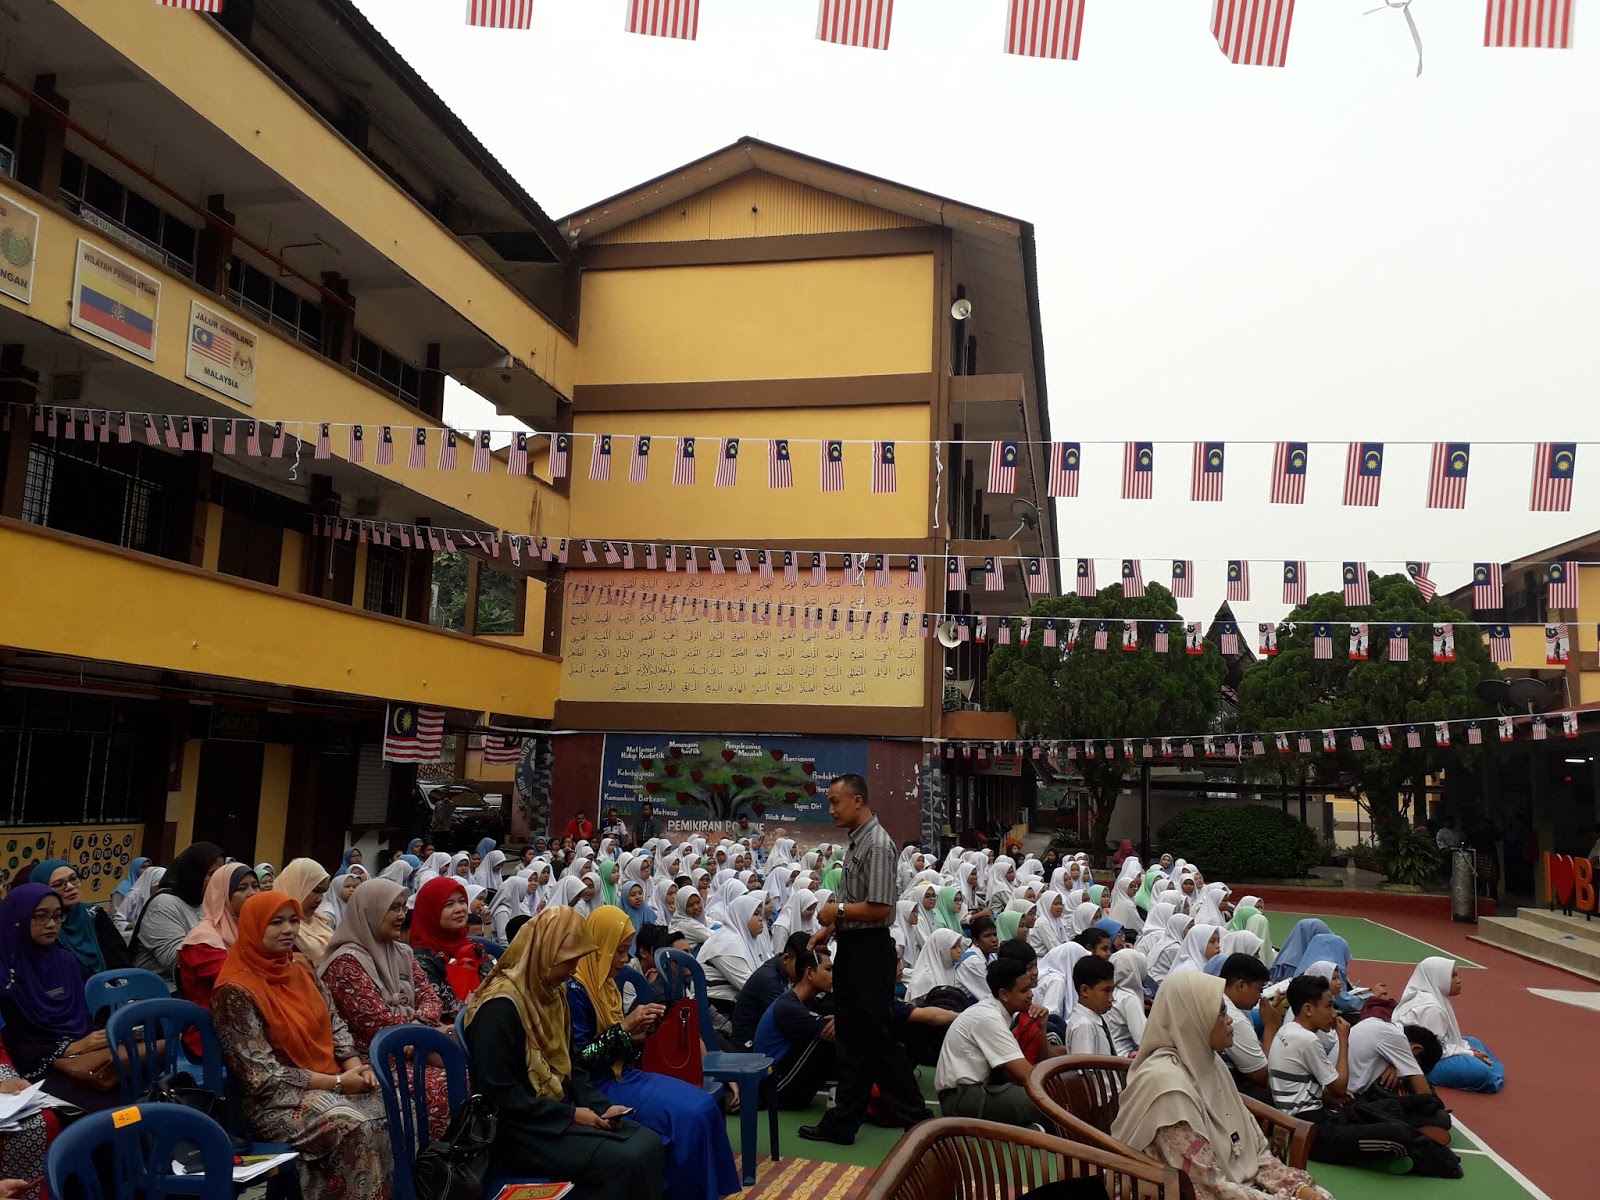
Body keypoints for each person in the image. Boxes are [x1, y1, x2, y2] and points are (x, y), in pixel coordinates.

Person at [464, 907, 664, 1199]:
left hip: (554, 1114)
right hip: (519, 1130)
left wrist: (599, 1106)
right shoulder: (500, 1008)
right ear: (545, 953)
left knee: (648, 1143)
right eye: (568, 961)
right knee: (627, 1159)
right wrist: (571, 1115)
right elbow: (500, 1095)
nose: (573, 971)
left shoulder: (550, 994)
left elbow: (573, 1066)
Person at [211, 893, 392, 1199]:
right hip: (274, 1102)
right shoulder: (235, 990)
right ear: (254, 927)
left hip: (329, 1079)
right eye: (276, 922)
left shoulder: (300, 967)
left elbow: (334, 1022)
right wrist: (337, 1084)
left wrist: (356, 1068)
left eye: (293, 921)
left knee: (392, 1105)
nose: (288, 930)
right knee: (352, 1125)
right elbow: (261, 1077)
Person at [1109, 972, 1334, 1200]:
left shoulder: (1210, 1062)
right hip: (1181, 1193)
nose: (1229, 1020)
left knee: (1320, 1195)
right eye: (1220, 1013)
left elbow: (1255, 1151)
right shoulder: (1167, 1088)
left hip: (1230, 1186)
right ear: (1193, 1018)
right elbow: (1207, 1187)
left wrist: (1298, 1188)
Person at [569, 906, 739, 1200]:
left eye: (626, 951)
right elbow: (580, 1061)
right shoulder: (576, 991)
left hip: (623, 1074)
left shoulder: (605, 986)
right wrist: (625, 1028)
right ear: (599, 947)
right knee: (688, 1116)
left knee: (704, 1105)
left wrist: (637, 1035)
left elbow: (611, 1045)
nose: (624, 960)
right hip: (596, 1089)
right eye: (618, 951)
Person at [799, 775, 932, 1145]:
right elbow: (860, 904)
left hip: (870, 952)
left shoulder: (876, 843)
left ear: (857, 801)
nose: (831, 810)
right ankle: (844, 1123)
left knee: (876, 1040)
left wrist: (836, 910)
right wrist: (832, 927)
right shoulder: (859, 841)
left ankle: (919, 1123)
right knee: (853, 1042)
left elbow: (882, 906)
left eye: (835, 801)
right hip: (855, 948)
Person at [320, 879, 455, 1140]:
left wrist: (416, 1027)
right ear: (370, 912)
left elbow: (432, 1000)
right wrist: (416, 1027)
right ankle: (423, 1166)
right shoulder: (346, 962)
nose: (401, 916)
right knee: (440, 1086)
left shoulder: (402, 952)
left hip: (414, 1048)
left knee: (463, 1070)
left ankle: (453, 1164)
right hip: (373, 1058)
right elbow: (377, 1021)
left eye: (403, 908)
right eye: (393, 909)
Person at [1268, 975, 1417, 1170]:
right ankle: (1394, 1157)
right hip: (1311, 1130)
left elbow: (1308, 1087)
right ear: (1308, 1010)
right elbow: (1339, 1088)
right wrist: (1344, 1039)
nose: (1334, 1013)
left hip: (1310, 1118)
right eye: (1329, 1006)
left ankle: (1391, 1148)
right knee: (1399, 1134)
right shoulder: (1307, 1040)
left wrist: (1329, 1097)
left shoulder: (1288, 1029)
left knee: (1387, 1107)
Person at [0, 885, 110, 1105]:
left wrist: (90, 1040)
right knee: (99, 1110)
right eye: (40, 916)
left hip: (83, 1054)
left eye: (57, 916)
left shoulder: (65, 961)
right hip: (34, 1066)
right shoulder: (5, 971)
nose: (51, 924)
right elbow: (12, 1041)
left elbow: (83, 1017)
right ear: (17, 918)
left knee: (135, 1088)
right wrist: (67, 1048)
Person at [932, 956, 1049, 1127]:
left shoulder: (1003, 1012)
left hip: (981, 1091)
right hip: (960, 1099)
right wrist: (1056, 1093)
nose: (1031, 995)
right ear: (1004, 994)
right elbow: (1026, 1074)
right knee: (1046, 1103)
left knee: (1050, 1099)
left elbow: (1041, 1061)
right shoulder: (987, 1017)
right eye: (1024, 991)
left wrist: (1042, 1028)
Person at [1392, 957, 1505, 1092]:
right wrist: (1469, 1053)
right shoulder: (1431, 1008)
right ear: (1438, 978)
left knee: (1472, 1041)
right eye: (1452, 976)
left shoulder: (1422, 994)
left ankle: (1488, 1069)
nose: (1458, 980)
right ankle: (1488, 1074)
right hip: (1423, 1063)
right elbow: (1434, 1050)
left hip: (1432, 1051)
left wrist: (1467, 1051)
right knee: (1480, 1071)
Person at [133, 841, 224, 983]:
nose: (218, 881)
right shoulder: (164, 904)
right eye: (211, 874)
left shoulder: (203, 902)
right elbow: (177, 961)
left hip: (201, 982)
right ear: (194, 874)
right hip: (163, 990)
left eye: (221, 874)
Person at [409, 877, 495, 1024]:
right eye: (449, 904)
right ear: (430, 911)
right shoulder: (422, 957)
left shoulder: (472, 946)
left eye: (462, 901)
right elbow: (448, 1007)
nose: (460, 909)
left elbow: (496, 982)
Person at [177, 863, 261, 1008]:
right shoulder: (203, 940)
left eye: (255, 886)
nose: (252, 893)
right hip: (209, 1022)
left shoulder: (252, 930)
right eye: (242, 888)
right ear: (222, 895)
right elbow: (236, 983)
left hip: (249, 1012)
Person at [35, 859, 128, 980]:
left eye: (73, 878)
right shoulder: (40, 925)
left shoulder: (94, 914)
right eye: (58, 884)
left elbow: (120, 962)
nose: (70, 886)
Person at [1218, 952, 1279, 1103]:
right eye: (1259, 989)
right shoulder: (1234, 1019)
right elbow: (1262, 1075)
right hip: (1229, 1093)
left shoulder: (1216, 995)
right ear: (1241, 985)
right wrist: (1270, 1027)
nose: (1260, 997)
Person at [730, 931, 806, 1051]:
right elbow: (789, 1018)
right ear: (786, 958)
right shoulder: (769, 979)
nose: (805, 972)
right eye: (802, 966)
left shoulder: (783, 971)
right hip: (749, 1044)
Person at [698, 891, 772, 1008]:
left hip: (732, 998)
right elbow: (749, 985)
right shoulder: (726, 945)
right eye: (756, 914)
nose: (760, 919)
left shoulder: (747, 939)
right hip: (713, 1004)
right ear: (742, 916)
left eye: (760, 914)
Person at [276, 859, 336, 965]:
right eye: (316, 891)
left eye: (323, 892)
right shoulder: (277, 927)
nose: (320, 899)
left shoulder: (319, 921)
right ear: (295, 887)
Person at [1063, 954, 1116, 1055]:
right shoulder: (1084, 1026)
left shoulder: (1096, 1018)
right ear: (1085, 991)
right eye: (1106, 991)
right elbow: (1085, 1068)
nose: (1111, 998)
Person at [1106, 948, 1148, 1055]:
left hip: (1110, 1052)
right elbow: (1144, 1038)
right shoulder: (1128, 998)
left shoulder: (1108, 993)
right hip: (1124, 1057)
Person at [107, 855, 151, 926]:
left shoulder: (147, 887)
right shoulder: (122, 889)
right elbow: (115, 915)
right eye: (143, 867)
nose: (147, 870)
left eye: (148, 867)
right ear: (135, 869)